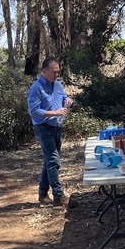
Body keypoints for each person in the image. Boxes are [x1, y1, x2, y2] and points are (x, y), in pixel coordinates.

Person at [27, 58, 74, 207]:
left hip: (56, 128)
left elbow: (65, 98)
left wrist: (69, 102)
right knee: (53, 160)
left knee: (49, 161)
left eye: (58, 71)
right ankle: (59, 196)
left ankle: (42, 193)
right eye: (54, 72)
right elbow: (34, 112)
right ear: (44, 71)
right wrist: (54, 113)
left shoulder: (58, 85)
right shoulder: (36, 88)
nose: (57, 74)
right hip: (44, 128)